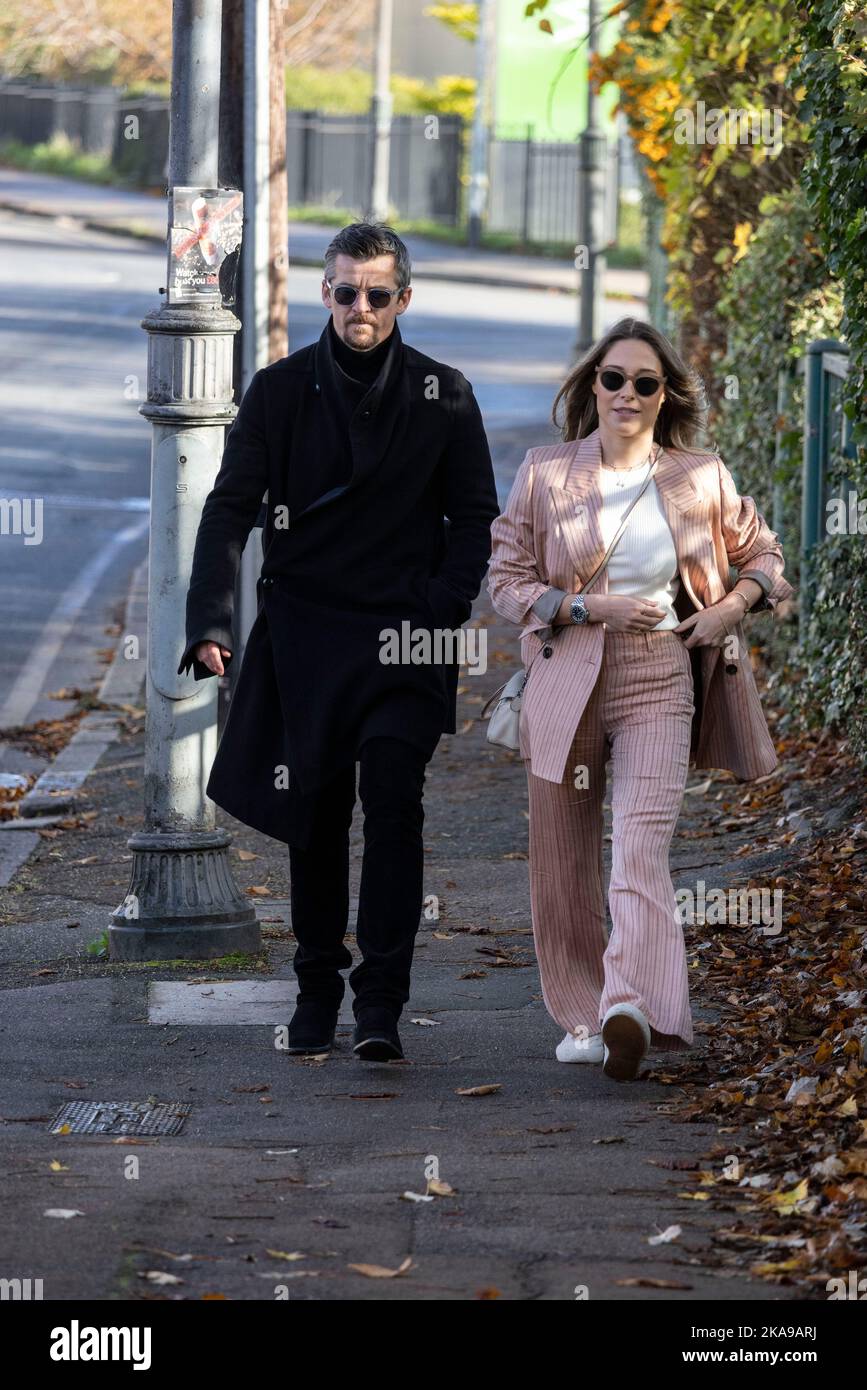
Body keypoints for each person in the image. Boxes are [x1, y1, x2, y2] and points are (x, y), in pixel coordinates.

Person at [177, 223, 499, 1062]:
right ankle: (316, 990)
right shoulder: (279, 391)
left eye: (378, 294)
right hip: (307, 636)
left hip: (404, 639)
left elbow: (473, 522)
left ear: (403, 299)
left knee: (394, 805)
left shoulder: (445, 394)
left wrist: (439, 606)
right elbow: (228, 510)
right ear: (325, 294)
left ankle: (382, 1003)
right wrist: (212, 623)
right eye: (346, 291)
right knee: (313, 818)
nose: (361, 307)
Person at [486, 317, 794, 1082]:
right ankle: (584, 1014)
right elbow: (506, 582)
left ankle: (630, 1005)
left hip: (660, 679)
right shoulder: (545, 471)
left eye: (644, 383)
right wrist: (590, 608)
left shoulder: (699, 475)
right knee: (562, 868)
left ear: (664, 397)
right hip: (567, 678)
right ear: (592, 386)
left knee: (641, 848)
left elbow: (765, 556)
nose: (627, 393)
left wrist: (731, 606)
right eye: (613, 378)